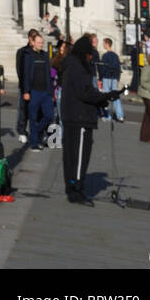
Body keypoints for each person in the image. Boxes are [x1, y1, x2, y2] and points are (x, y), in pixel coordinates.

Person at [58, 33, 118, 205]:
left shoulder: (72, 65)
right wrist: (104, 97)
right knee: (78, 156)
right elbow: (85, 92)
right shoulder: (78, 68)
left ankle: (72, 186)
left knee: (71, 154)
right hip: (80, 118)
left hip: (73, 116)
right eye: (90, 53)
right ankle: (76, 189)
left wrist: (102, 98)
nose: (91, 57)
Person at [21, 32, 54, 151]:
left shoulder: (45, 55)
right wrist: (26, 91)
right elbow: (25, 74)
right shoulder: (28, 56)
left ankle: (34, 134)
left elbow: (49, 74)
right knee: (33, 117)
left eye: (42, 43)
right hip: (33, 91)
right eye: (39, 42)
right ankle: (34, 143)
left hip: (45, 92)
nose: (41, 45)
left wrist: (51, 91)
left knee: (49, 115)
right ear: (33, 42)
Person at [15, 29, 37, 142]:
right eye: (34, 38)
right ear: (30, 39)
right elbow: (20, 70)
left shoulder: (39, 53)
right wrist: (25, 87)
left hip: (37, 86)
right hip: (25, 85)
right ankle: (22, 131)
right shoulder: (22, 52)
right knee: (23, 109)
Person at [98, 38, 124, 122]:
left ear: (106, 44)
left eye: (103, 43)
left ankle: (107, 115)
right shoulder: (115, 56)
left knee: (105, 97)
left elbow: (102, 68)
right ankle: (120, 115)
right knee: (115, 96)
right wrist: (118, 78)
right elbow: (118, 68)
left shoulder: (105, 56)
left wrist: (100, 78)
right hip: (113, 78)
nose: (103, 45)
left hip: (106, 77)